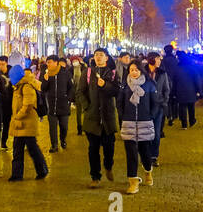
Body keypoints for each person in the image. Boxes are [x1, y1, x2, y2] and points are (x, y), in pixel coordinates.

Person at [77, 49, 120, 187]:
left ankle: (108, 166)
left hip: (108, 117)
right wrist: (87, 107)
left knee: (109, 147)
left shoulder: (112, 73)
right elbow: (80, 92)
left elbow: (117, 91)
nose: (98, 57)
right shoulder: (88, 73)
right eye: (96, 55)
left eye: (101, 55)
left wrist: (105, 85)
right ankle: (95, 176)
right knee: (93, 149)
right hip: (92, 117)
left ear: (106, 58)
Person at [118, 58, 157, 194]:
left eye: (136, 70)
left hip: (144, 122)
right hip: (128, 122)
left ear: (141, 70)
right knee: (131, 154)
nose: (133, 72)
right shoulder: (124, 86)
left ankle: (148, 171)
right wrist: (123, 117)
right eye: (131, 70)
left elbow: (154, 104)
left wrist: (150, 116)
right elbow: (120, 103)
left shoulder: (149, 85)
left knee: (145, 152)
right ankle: (133, 181)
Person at [8, 64, 49, 181]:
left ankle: (41, 170)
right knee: (19, 149)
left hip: (26, 122)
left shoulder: (26, 86)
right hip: (21, 124)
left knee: (31, 148)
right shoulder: (18, 85)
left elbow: (28, 104)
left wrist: (18, 116)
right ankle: (18, 174)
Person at [41, 54, 74, 154]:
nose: (48, 64)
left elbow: (71, 87)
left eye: (49, 62)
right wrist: (45, 80)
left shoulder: (65, 73)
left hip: (63, 105)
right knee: (52, 127)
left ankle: (63, 140)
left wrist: (68, 99)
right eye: (47, 63)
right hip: (52, 106)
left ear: (56, 63)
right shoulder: (46, 73)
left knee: (64, 126)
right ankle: (54, 145)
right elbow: (43, 89)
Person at [147, 52, 171, 164]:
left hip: (158, 106)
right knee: (145, 133)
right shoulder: (142, 72)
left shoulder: (162, 73)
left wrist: (164, 101)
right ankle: (145, 154)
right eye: (157, 59)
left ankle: (154, 156)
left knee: (156, 133)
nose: (159, 61)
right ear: (151, 60)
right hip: (145, 106)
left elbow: (167, 88)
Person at [172, 52, 198, 128]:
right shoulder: (192, 68)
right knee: (191, 107)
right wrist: (198, 90)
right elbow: (196, 80)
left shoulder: (177, 69)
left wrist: (173, 91)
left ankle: (184, 124)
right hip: (191, 89)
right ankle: (192, 121)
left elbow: (174, 81)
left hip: (180, 89)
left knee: (182, 106)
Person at [0, 55, 14, 152]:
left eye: (2, 64)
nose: (0, 66)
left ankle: (3, 142)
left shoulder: (12, 73)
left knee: (6, 124)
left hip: (8, 103)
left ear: (6, 63)